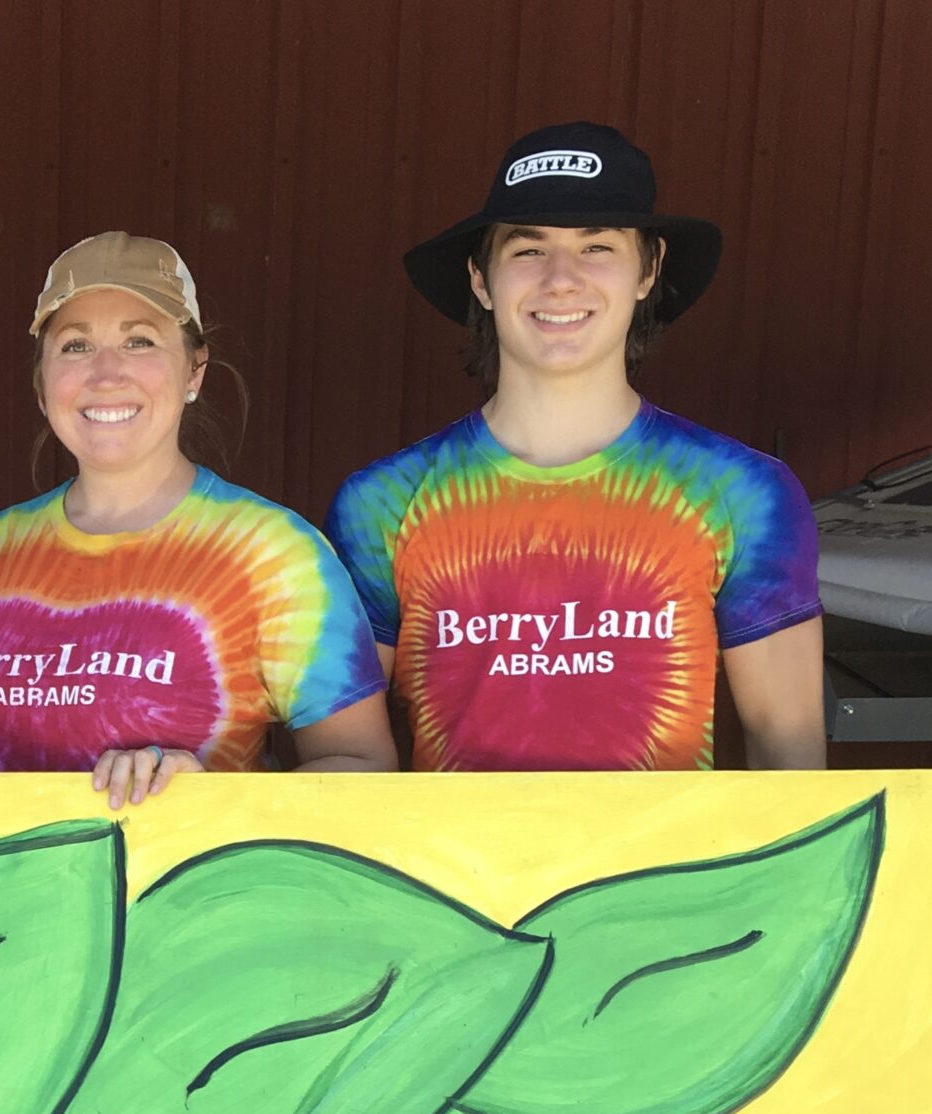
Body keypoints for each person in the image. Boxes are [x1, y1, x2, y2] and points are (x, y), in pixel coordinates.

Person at [326, 122, 824, 772]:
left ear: (648, 270)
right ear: (481, 279)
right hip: (448, 874)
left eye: (596, 247)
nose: (560, 280)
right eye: (527, 251)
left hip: (661, 873)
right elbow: (343, 760)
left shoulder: (744, 491)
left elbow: (789, 757)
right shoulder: (381, 502)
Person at [0, 232, 394, 806]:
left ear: (194, 373)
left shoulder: (272, 552)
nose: (106, 374)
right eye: (76, 346)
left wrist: (210, 801)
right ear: (42, 384)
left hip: (189, 894)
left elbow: (367, 766)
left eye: (139, 341)